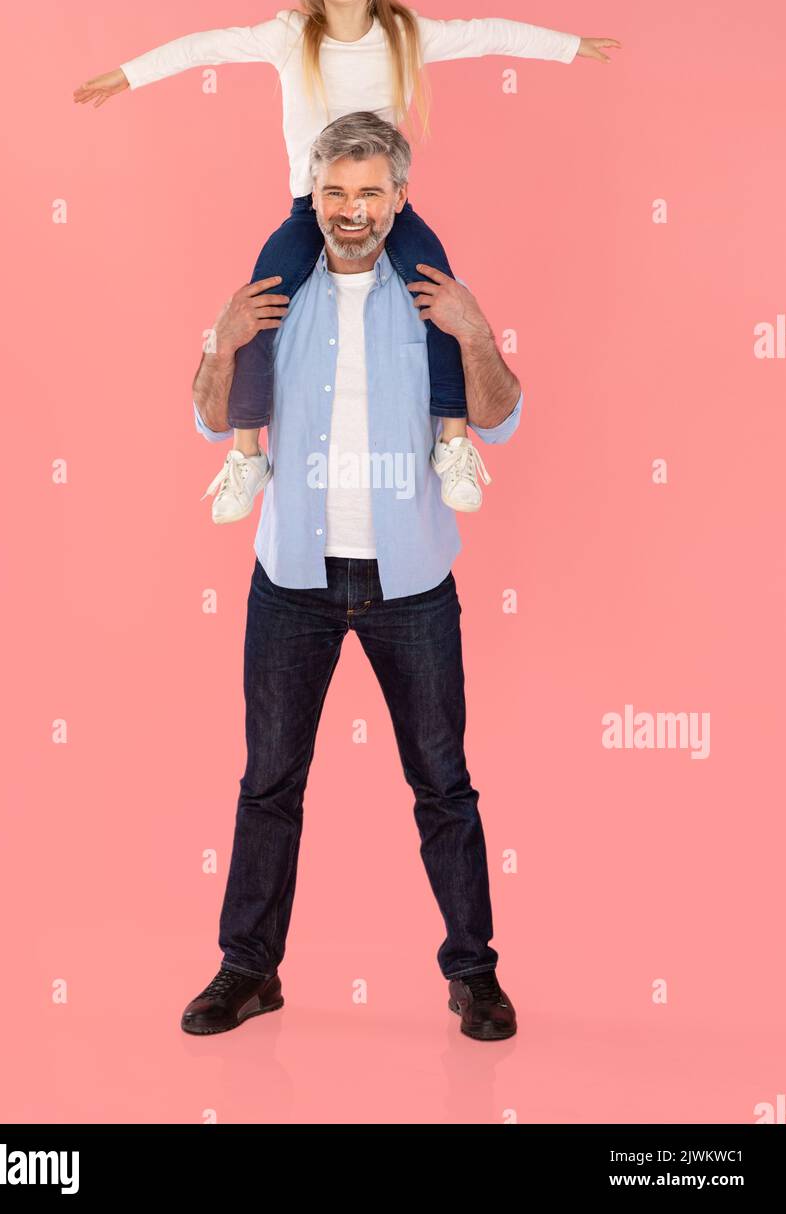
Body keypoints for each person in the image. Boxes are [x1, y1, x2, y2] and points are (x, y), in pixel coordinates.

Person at [73, 0, 620, 520]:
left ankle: (454, 442)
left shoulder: (404, 36)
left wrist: (570, 46)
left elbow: (487, 34)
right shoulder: (288, 38)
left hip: (389, 212)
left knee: (439, 291)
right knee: (260, 297)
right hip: (313, 208)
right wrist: (126, 74)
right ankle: (247, 453)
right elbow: (204, 46)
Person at [183, 111, 523, 1042]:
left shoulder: (427, 299)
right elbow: (214, 422)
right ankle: (248, 972)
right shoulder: (275, 298)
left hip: (410, 583)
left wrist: (479, 330)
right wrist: (218, 339)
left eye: (370, 191)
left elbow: (498, 421)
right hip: (291, 577)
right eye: (335, 192)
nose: (351, 209)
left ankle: (475, 977)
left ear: (398, 198)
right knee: (268, 785)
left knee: (443, 784)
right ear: (313, 197)